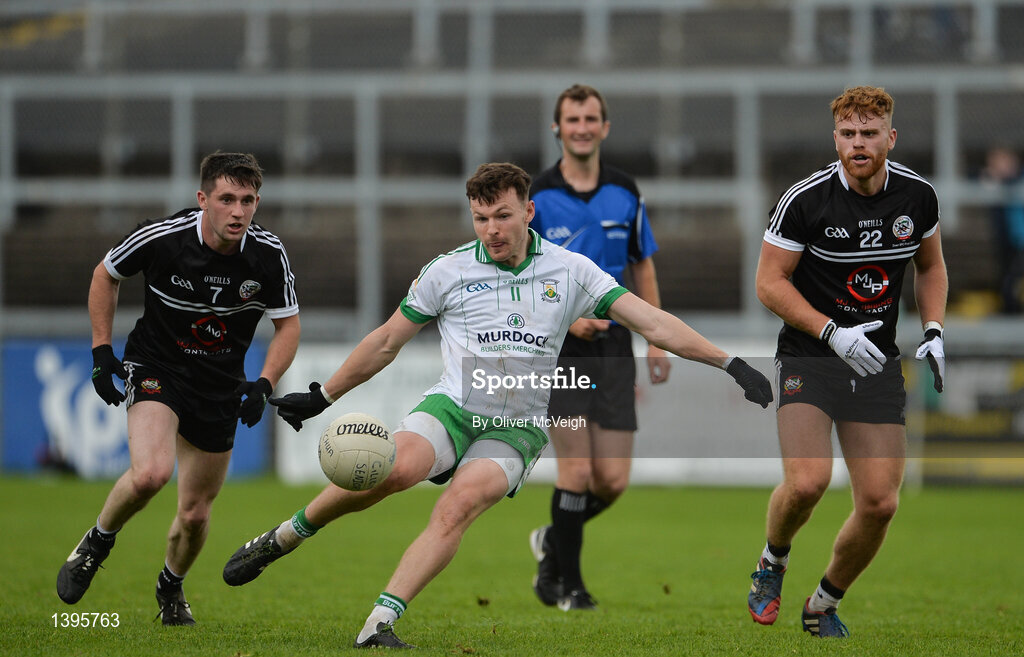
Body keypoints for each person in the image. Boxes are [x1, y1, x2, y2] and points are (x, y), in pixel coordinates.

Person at [222, 162, 773, 649]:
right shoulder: (447, 270)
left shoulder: (570, 270)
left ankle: (378, 624)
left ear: (528, 212)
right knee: (389, 471)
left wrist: (730, 363)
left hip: (516, 429)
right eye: (481, 218)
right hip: (452, 408)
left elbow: (653, 322)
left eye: (503, 216)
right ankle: (285, 536)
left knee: (458, 506)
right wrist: (323, 395)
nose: (492, 230)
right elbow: (387, 341)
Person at [56, 152, 301, 625]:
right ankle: (97, 541)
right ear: (202, 199)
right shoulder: (163, 237)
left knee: (194, 515)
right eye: (226, 199)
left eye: (248, 200)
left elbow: (288, 326)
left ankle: (170, 586)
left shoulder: (269, 254)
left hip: (219, 385)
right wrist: (101, 351)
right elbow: (105, 274)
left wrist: (265, 382)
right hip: (157, 366)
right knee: (151, 474)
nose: (238, 211)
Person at [746, 86, 947, 638]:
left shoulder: (918, 196)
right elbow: (768, 283)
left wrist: (934, 328)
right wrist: (831, 332)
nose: (859, 144)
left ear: (891, 137)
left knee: (880, 502)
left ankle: (823, 603)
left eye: (870, 133)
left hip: (875, 362)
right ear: (835, 138)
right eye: (849, 133)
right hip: (811, 355)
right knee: (808, 482)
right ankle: (772, 561)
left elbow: (931, 267)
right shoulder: (804, 200)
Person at [526, 83, 669, 611]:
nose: (582, 128)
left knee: (611, 481)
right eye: (572, 119)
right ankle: (570, 587)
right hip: (559, 351)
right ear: (557, 128)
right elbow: (521, 276)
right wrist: (567, 318)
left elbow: (642, 263)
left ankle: (552, 540)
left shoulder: (625, 191)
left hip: (615, 350)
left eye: (591, 119)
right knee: (577, 473)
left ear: (604, 127)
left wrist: (656, 338)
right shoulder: (537, 196)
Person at [979, 145, 1024, 314]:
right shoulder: (997, 183)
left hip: (1019, 240)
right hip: (1007, 240)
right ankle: (1010, 310)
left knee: (1011, 279)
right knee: (1006, 275)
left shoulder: (1017, 181)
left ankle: (1011, 310)